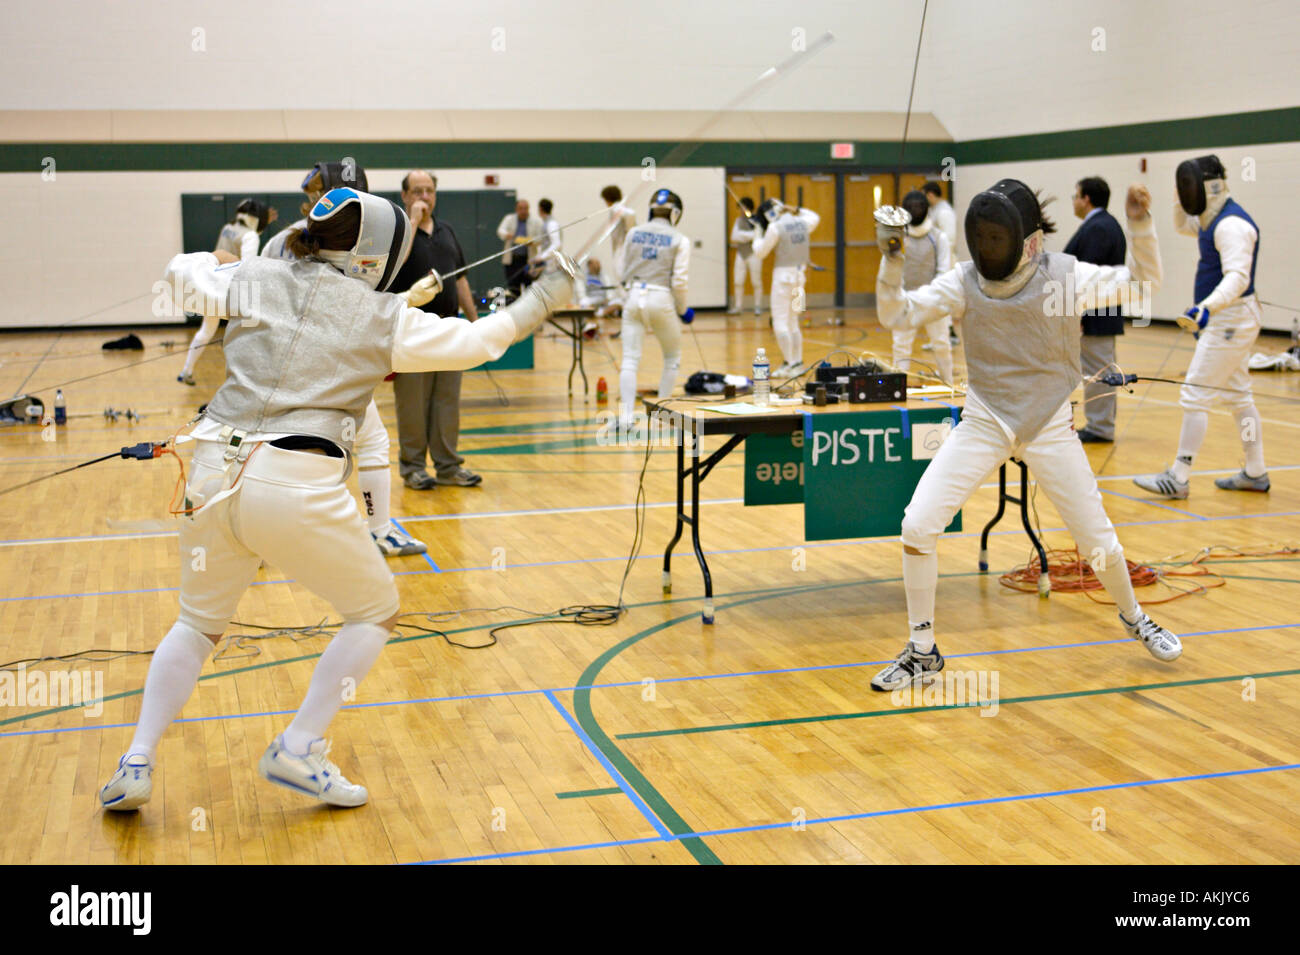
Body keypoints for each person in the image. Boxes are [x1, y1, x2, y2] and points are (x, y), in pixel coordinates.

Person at [100, 186, 575, 812]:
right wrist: (547, 294)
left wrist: (209, 264)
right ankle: (300, 746)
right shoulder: (384, 318)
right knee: (374, 613)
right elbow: (477, 341)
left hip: (210, 473)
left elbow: (187, 278)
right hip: (292, 482)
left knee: (196, 623)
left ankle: (136, 759)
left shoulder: (256, 275)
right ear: (376, 251)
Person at [870, 178, 1181, 691]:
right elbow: (895, 314)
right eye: (984, 237)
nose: (990, 247)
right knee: (918, 525)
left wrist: (1142, 224)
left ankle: (1134, 618)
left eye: (999, 237)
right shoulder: (965, 281)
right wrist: (890, 257)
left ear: (1028, 238)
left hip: (1051, 425)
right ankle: (922, 651)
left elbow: (1146, 283)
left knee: (1096, 539)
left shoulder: (1065, 276)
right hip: (985, 420)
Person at [262, 160, 427, 557]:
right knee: (364, 441)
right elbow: (345, 309)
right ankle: (380, 531)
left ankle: (253, 538)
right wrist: (407, 300)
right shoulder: (344, 247)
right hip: (325, 366)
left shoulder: (283, 239)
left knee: (270, 448)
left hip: (275, 366)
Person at [1133, 155, 1268, 498]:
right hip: (1231, 319)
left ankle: (1178, 477)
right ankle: (1255, 471)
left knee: (1195, 393)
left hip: (1231, 320)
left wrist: (1207, 306)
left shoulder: (1231, 226)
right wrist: (1177, 199)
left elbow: (1237, 277)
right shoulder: (1212, 219)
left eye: (1189, 188)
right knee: (1239, 396)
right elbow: (1182, 226)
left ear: (1209, 187)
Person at [391, 170, 483, 490]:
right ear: (404, 196)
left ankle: (448, 466)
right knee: (413, 404)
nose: (424, 197)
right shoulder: (398, 231)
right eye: (417, 191)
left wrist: (475, 323)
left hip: (448, 328)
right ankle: (413, 467)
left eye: (429, 190)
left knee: (447, 402)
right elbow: (392, 268)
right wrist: (412, 223)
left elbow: (460, 280)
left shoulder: (447, 231)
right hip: (411, 331)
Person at [176, 198, 275, 386]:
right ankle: (245, 383)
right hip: (233, 293)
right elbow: (247, 267)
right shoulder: (250, 236)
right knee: (247, 336)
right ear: (257, 219)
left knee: (206, 332)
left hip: (212, 287)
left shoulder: (227, 228)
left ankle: (186, 371)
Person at [617, 188, 690, 427]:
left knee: (630, 359)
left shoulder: (634, 233)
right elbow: (679, 282)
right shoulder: (680, 239)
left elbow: (622, 271)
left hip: (634, 295)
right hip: (661, 298)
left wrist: (628, 295)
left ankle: (627, 418)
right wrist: (683, 310)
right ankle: (662, 415)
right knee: (672, 357)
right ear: (675, 213)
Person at [1064, 176, 1127, 443]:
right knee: (1103, 370)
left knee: (1099, 372)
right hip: (1100, 312)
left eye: (1075, 195)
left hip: (1098, 314)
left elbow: (1089, 276)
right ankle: (1102, 424)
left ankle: (1100, 427)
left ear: (1086, 198)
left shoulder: (1099, 228)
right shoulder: (1101, 225)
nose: (1074, 201)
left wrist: (1081, 313)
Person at [890, 190, 954, 384]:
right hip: (905, 301)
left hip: (934, 300)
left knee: (941, 343)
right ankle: (898, 387)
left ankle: (948, 383)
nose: (915, 211)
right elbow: (893, 271)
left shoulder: (938, 237)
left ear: (926, 210)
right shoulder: (898, 238)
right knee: (901, 345)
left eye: (919, 207)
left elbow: (944, 272)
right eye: (912, 208)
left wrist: (926, 296)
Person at [752, 198, 819, 376]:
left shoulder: (775, 228)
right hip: (800, 279)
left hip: (783, 280)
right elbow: (815, 216)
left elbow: (759, 252)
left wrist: (757, 231)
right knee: (793, 322)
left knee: (780, 322)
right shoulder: (803, 222)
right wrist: (795, 208)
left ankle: (789, 364)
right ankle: (796, 364)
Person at [923, 181, 961, 347]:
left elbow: (949, 238)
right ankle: (941, 337)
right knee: (937, 300)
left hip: (945, 263)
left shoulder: (944, 212)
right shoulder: (935, 210)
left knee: (942, 299)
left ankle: (947, 336)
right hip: (937, 262)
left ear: (930, 194)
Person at [496, 199, 542, 298]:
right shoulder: (509, 219)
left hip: (528, 261)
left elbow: (541, 238)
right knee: (513, 288)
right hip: (512, 261)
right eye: (521, 208)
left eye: (526, 208)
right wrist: (507, 235)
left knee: (530, 288)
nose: (523, 211)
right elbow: (500, 230)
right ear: (516, 209)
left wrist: (532, 242)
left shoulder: (535, 222)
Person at [728, 197, 763, 315]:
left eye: (743, 207)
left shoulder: (757, 221)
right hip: (741, 254)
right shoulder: (738, 221)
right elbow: (734, 237)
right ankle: (738, 307)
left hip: (754, 254)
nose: (741, 210)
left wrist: (744, 236)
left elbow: (758, 236)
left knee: (756, 281)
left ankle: (757, 306)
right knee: (738, 281)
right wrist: (750, 235)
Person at [535, 198, 562, 275]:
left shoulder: (551, 224)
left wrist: (542, 257)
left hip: (551, 263)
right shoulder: (546, 223)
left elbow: (556, 244)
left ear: (540, 209)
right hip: (547, 262)